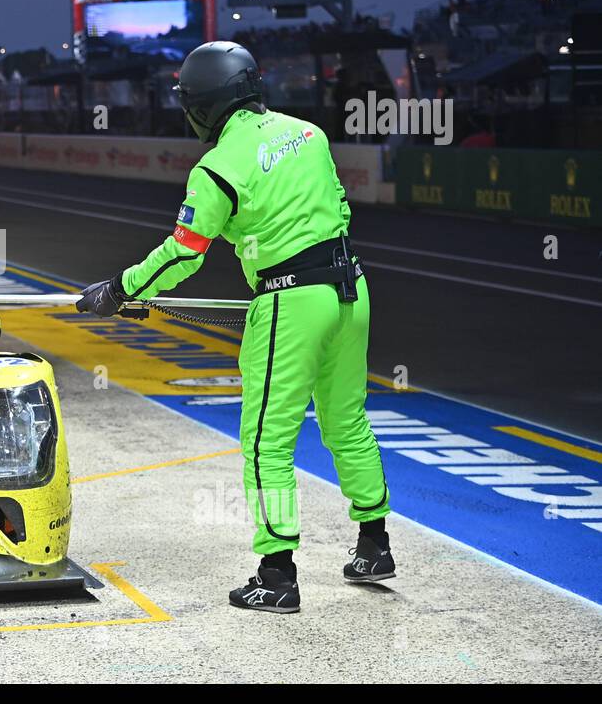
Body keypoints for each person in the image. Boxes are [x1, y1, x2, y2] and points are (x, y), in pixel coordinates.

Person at [76, 41, 391, 614]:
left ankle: (277, 576)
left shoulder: (216, 167)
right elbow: (339, 210)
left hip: (288, 302)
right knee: (347, 420)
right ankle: (375, 544)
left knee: (265, 443)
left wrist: (119, 289)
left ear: (202, 103)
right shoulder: (308, 134)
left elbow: (184, 253)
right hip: (352, 289)